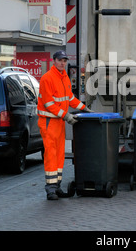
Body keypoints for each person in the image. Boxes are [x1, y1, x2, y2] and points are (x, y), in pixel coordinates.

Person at [37, 50, 92, 200]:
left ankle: (57, 186)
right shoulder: (47, 78)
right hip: (48, 122)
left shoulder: (64, 77)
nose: (63, 63)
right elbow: (49, 104)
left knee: (60, 154)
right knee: (51, 154)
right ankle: (50, 189)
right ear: (54, 61)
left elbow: (70, 99)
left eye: (65, 60)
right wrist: (66, 115)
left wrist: (84, 107)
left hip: (58, 122)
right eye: (60, 60)